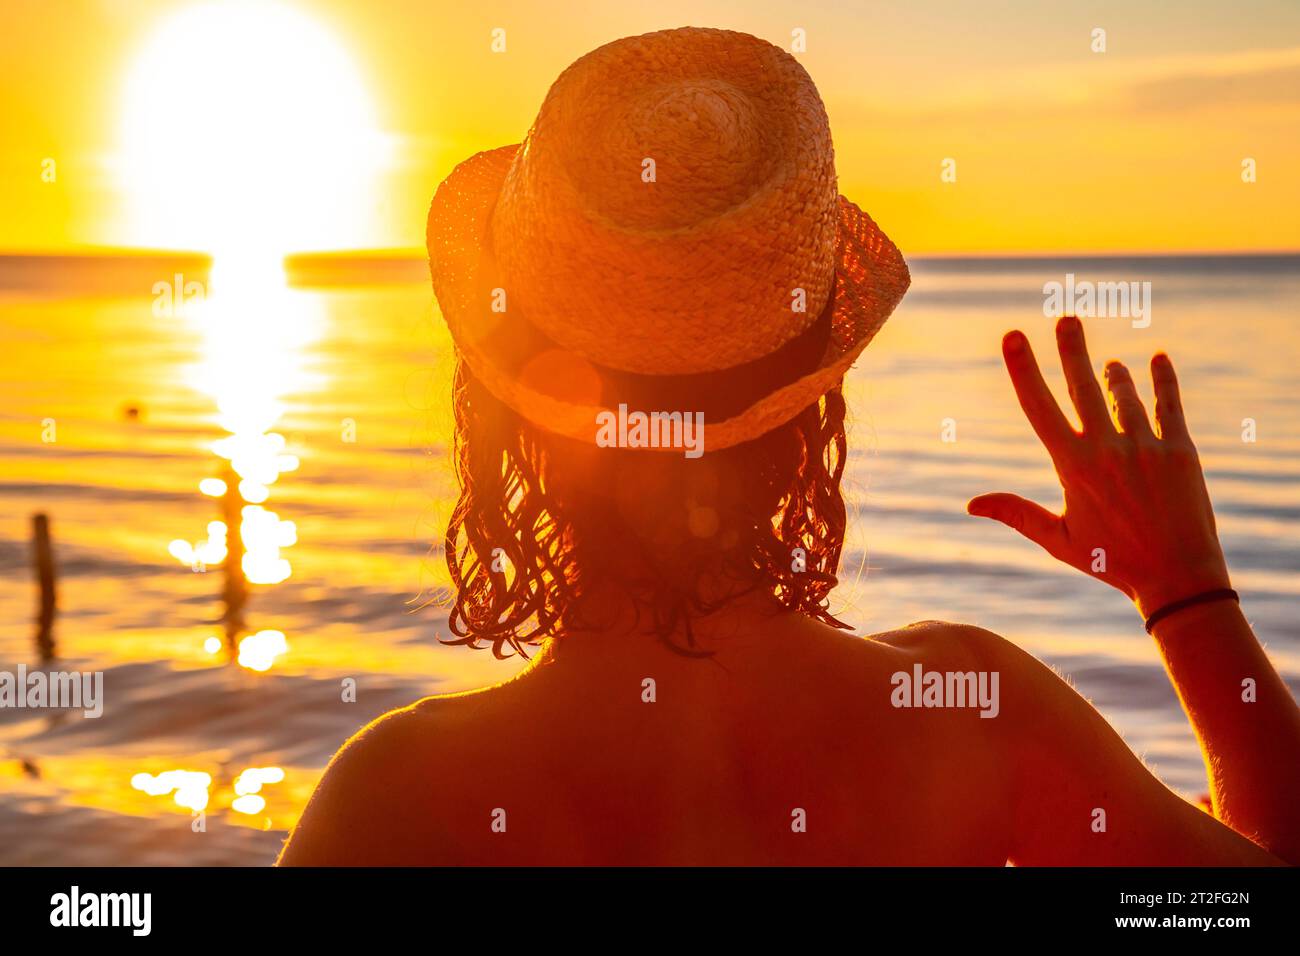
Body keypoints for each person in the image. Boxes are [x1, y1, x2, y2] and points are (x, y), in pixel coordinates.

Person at [278, 27, 1299, 866]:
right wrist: (1187, 596)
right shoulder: (973, 716)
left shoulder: (399, 804)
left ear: (503, 405)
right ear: (809, 402)